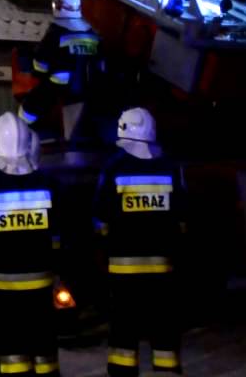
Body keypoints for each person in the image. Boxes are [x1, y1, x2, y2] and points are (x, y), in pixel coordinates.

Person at [0, 112, 62, 376]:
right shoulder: (47, 182)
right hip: (40, 277)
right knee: (43, 332)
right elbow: (58, 233)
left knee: (9, 336)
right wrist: (56, 265)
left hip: (1, 280)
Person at [93, 108, 187, 375]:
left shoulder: (114, 167)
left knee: (124, 324)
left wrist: (105, 243)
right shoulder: (170, 167)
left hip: (123, 266)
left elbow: (100, 215)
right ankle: (167, 369)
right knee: (164, 323)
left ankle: (123, 370)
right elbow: (182, 215)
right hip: (162, 265)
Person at [20, 0, 101, 141]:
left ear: (58, 7)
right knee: (76, 132)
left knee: (30, 107)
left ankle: (22, 134)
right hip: (90, 89)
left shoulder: (56, 32)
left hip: (60, 86)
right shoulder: (91, 32)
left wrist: (33, 68)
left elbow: (41, 64)